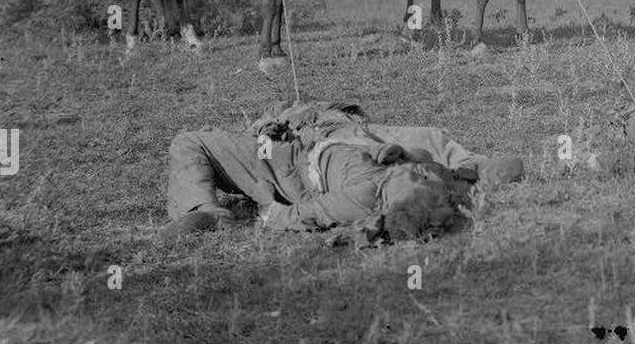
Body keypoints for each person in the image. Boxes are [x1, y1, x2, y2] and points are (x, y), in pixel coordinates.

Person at [161, 100, 523, 243]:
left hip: (297, 164)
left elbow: (301, 214)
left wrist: (265, 201)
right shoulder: (420, 177)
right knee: (428, 137)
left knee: (189, 142)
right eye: (420, 178)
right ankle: (474, 165)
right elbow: (426, 166)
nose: (418, 175)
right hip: (356, 137)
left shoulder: (360, 198)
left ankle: (202, 210)